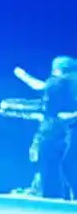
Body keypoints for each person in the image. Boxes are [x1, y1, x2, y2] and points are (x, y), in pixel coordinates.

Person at [13, 57, 77, 199]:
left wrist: (71, 116)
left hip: (68, 131)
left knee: (68, 165)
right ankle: (50, 196)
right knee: (47, 164)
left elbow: (40, 87)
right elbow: (41, 89)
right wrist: (23, 76)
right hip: (52, 131)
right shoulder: (55, 84)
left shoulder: (69, 84)